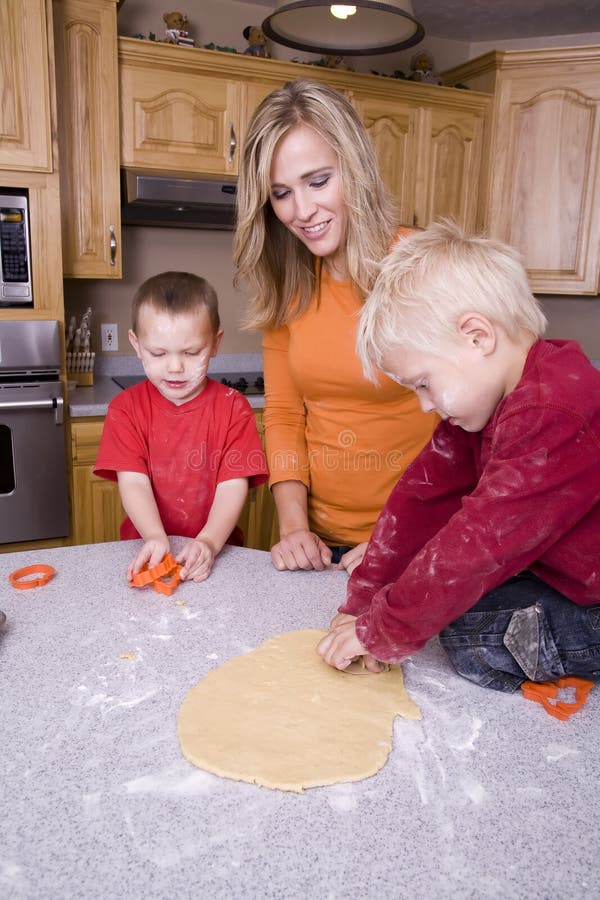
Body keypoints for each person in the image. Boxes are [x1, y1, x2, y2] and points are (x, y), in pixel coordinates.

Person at [317, 221, 600, 691]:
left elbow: (480, 544)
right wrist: (363, 602)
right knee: (442, 602)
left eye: (424, 383)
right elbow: (420, 501)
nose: (425, 404)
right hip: (571, 581)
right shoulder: (482, 406)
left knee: (473, 637)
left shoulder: (554, 409)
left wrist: (383, 630)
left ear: (476, 337)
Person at [233, 80, 437, 575]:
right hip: (322, 545)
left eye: (318, 181)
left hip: (422, 539)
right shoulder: (288, 287)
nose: (301, 211)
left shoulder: (421, 268)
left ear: (356, 169)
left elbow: (474, 422)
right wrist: (293, 528)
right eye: (281, 193)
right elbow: (283, 414)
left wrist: (400, 540)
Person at [94, 271, 268, 583]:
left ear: (215, 344)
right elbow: (133, 483)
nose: (175, 367)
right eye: (158, 353)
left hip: (218, 555)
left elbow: (232, 486)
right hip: (147, 550)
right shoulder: (126, 410)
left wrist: (210, 542)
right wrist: (155, 537)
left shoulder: (233, 408)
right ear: (136, 344)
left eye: (191, 352)